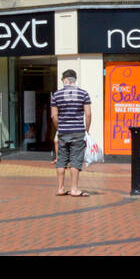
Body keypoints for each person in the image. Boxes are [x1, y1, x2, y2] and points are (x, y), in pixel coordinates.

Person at [50, 69, 92, 197]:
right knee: (75, 160)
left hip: (63, 131)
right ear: (74, 80)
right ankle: (74, 189)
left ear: (66, 79)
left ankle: (60, 188)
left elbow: (53, 116)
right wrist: (87, 130)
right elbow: (88, 114)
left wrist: (59, 127)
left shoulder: (56, 95)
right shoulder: (83, 94)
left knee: (61, 160)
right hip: (78, 131)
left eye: (62, 79)